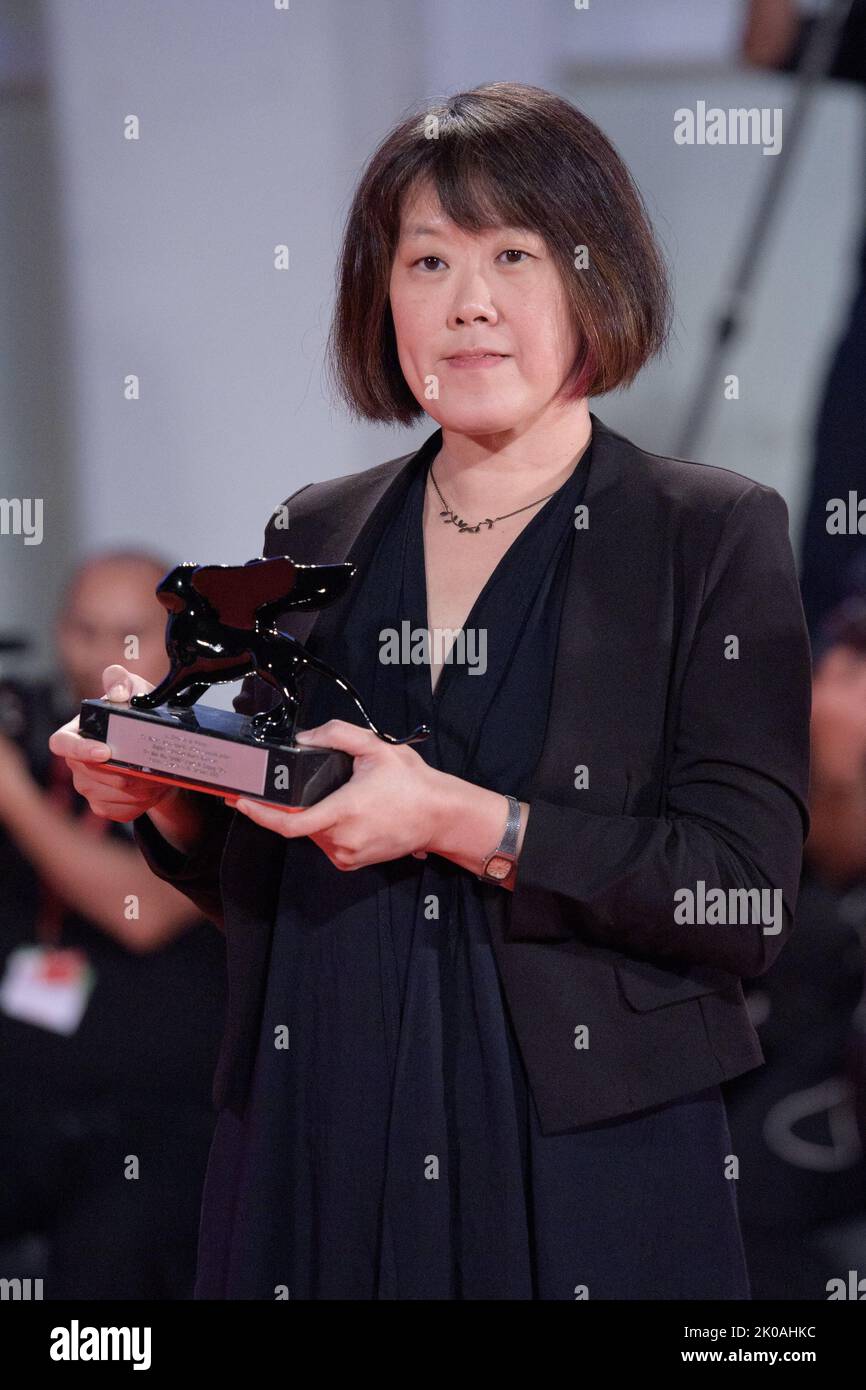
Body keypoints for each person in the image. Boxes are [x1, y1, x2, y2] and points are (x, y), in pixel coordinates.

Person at [50, 82, 812, 1301]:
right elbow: (268, 874)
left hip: (572, 1141)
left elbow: (738, 894)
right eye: (425, 260)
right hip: (317, 1110)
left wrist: (460, 818)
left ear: (591, 277)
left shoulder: (703, 533)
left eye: (513, 252)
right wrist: (171, 798)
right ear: (380, 295)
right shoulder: (317, 526)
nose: (468, 302)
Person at [1, 550, 227, 1299]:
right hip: (24, 1110)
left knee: (109, 1266)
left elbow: (147, 912)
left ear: (181, 644)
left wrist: (11, 796)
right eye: (83, 630)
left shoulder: (215, 757)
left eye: (127, 634)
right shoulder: (37, 750)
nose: (101, 657)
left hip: (154, 1130)